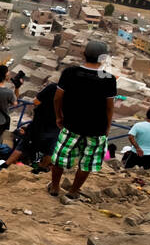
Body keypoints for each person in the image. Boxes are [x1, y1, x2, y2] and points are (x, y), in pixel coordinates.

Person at [49, 40, 118, 203]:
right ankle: (73, 192)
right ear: (103, 58)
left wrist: (58, 116)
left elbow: (57, 97)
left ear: (83, 54)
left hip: (71, 124)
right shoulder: (108, 79)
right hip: (96, 128)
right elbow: (109, 107)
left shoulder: (70, 72)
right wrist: (107, 127)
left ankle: (54, 187)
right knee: (86, 163)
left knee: (59, 157)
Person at [4, 80, 59, 172]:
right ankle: (39, 168)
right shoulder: (73, 93)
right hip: (56, 125)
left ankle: (5, 165)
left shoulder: (53, 87)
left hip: (40, 123)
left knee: (23, 145)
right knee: (49, 149)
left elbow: (36, 102)